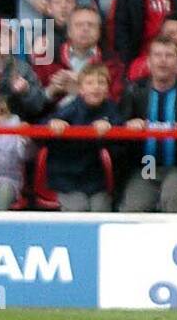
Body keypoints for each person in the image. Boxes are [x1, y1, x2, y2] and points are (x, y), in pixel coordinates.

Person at [118, 37, 177, 213]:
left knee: (172, 196)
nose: (163, 60)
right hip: (146, 165)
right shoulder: (133, 90)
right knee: (132, 207)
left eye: (169, 55)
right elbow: (118, 125)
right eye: (158, 55)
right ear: (148, 61)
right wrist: (127, 124)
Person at [45, 63, 121, 211]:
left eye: (101, 83)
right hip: (67, 178)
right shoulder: (70, 108)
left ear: (107, 88)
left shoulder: (112, 108)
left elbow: (121, 128)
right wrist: (55, 124)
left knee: (101, 209)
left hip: (97, 180)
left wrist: (110, 125)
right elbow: (46, 125)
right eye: (90, 83)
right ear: (80, 89)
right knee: (80, 209)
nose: (96, 87)